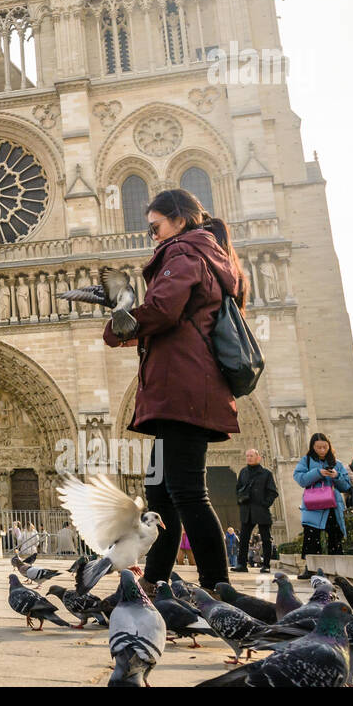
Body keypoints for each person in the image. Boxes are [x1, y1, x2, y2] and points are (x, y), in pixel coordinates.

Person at [102, 187, 246, 593]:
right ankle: (154, 581)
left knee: (186, 491)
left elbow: (164, 308)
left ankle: (218, 587)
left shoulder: (184, 252)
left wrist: (120, 325)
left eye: (155, 227)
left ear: (179, 220)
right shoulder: (205, 252)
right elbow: (179, 320)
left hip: (184, 391)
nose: (153, 235)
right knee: (159, 490)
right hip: (180, 390)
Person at [294, 432, 353, 579]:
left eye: (324, 447)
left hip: (332, 505)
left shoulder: (337, 464)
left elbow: (346, 486)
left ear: (329, 446)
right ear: (312, 447)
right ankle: (311, 568)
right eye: (318, 447)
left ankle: (337, 568)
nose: (322, 450)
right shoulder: (306, 461)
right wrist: (318, 473)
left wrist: (336, 476)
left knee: (335, 536)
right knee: (311, 537)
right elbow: (300, 479)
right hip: (313, 505)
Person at [235, 448, 279, 573]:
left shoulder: (266, 473)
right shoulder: (243, 472)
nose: (249, 458)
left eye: (252, 455)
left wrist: (265, 504)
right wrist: (240, 501)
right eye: (247, 456)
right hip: (247, 510)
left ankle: (266, 565)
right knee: (243, 538)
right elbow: (238, 488)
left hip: (261, 510)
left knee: (266, 538)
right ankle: (241, 564)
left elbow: (273, 492)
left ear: (258, 457)